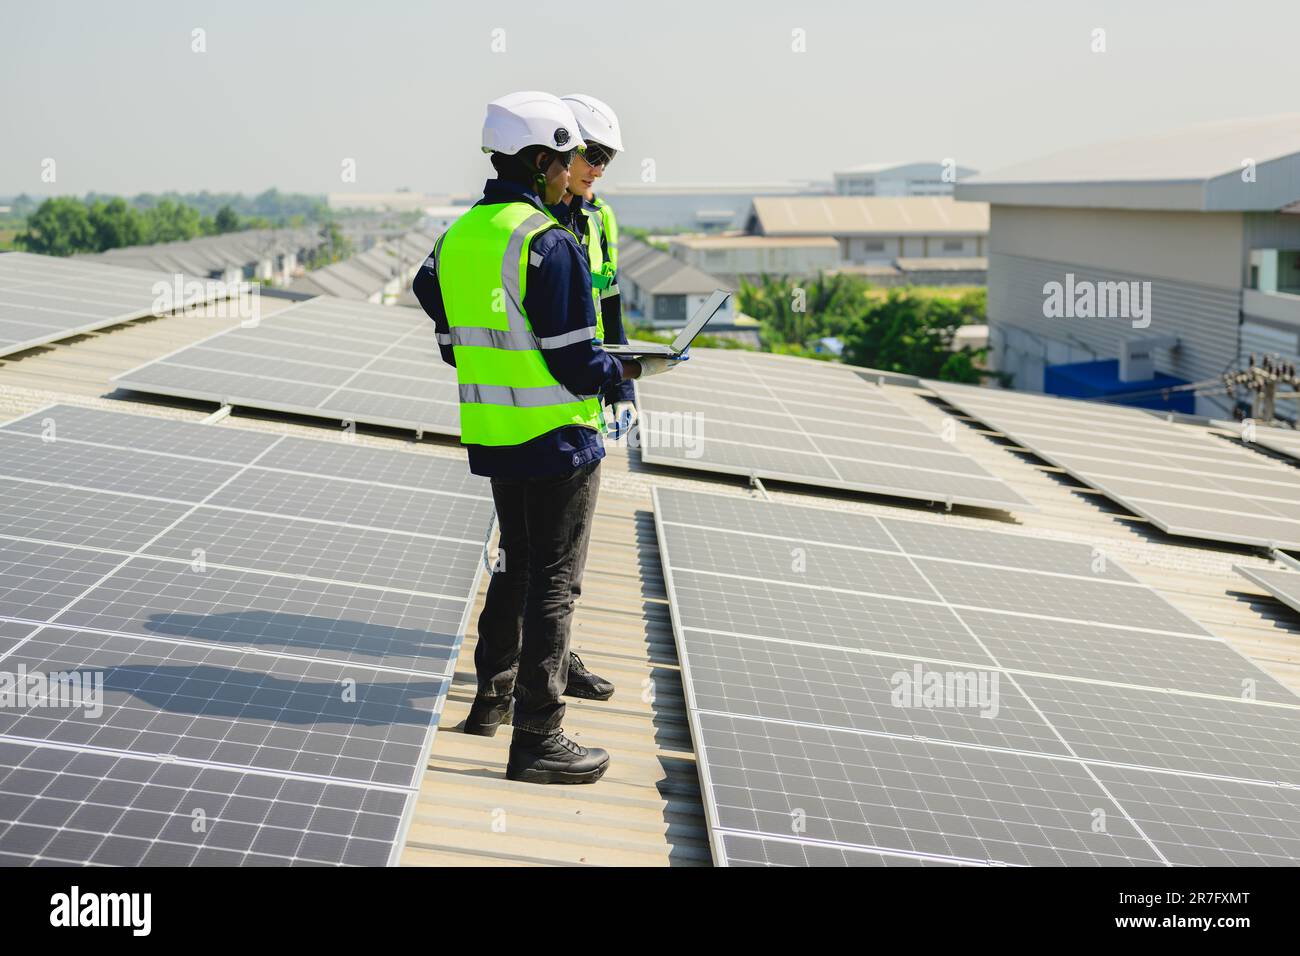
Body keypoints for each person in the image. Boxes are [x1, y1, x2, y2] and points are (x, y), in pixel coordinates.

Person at [412, 91, 684, 784]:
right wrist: (634, 366)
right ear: (541, 163)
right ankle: (539, 737)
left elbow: (438, 302)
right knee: (554, 585)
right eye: (569, 159)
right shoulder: (547, 241)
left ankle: (493, 702)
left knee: (517, 566)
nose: (577, 173)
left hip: (494, 431)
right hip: (559, 437)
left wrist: (458, 346)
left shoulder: (464, 234)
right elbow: (574, 361)